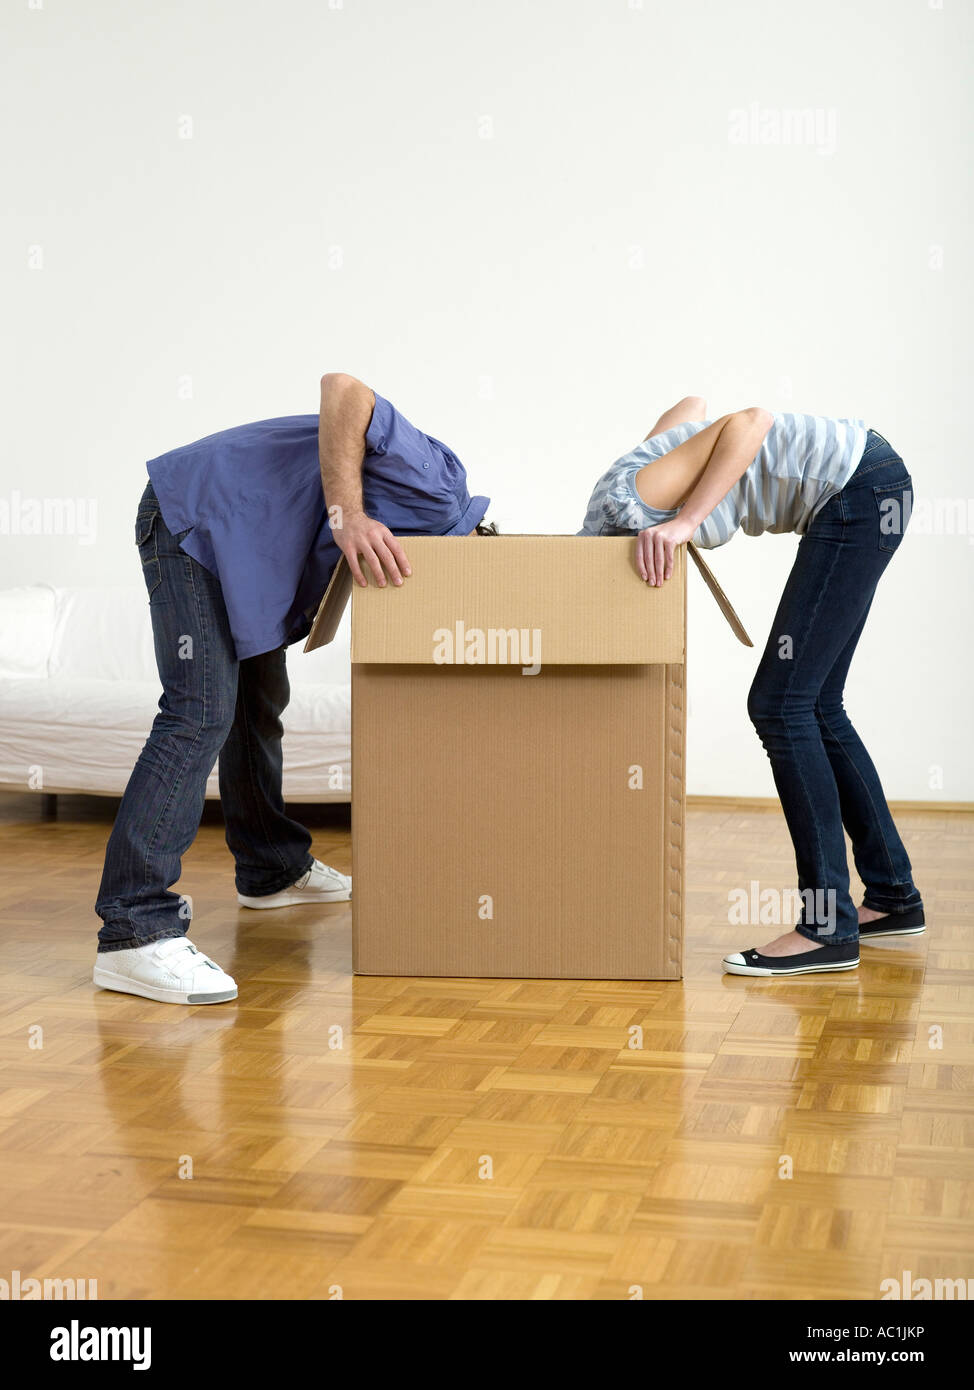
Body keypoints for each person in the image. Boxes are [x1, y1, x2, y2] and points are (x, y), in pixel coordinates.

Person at [94, 373, 491, 1004]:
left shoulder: (432, 537)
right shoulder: (440, 495)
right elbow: (344, 389)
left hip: (242, 548)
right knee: (199, 712)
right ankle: (134, 929)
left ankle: (271, 866)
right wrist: (348, 514)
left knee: (257, 705)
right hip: (194, 519)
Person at [579, 397, 924, 977]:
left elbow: (751, 420)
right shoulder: (638, 480)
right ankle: (892, 897)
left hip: (858, 492)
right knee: (816, 705)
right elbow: (692, 408)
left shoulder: (630, 500)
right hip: (873, 483)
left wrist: (686, 521)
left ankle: (827, 929)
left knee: (779, 705)